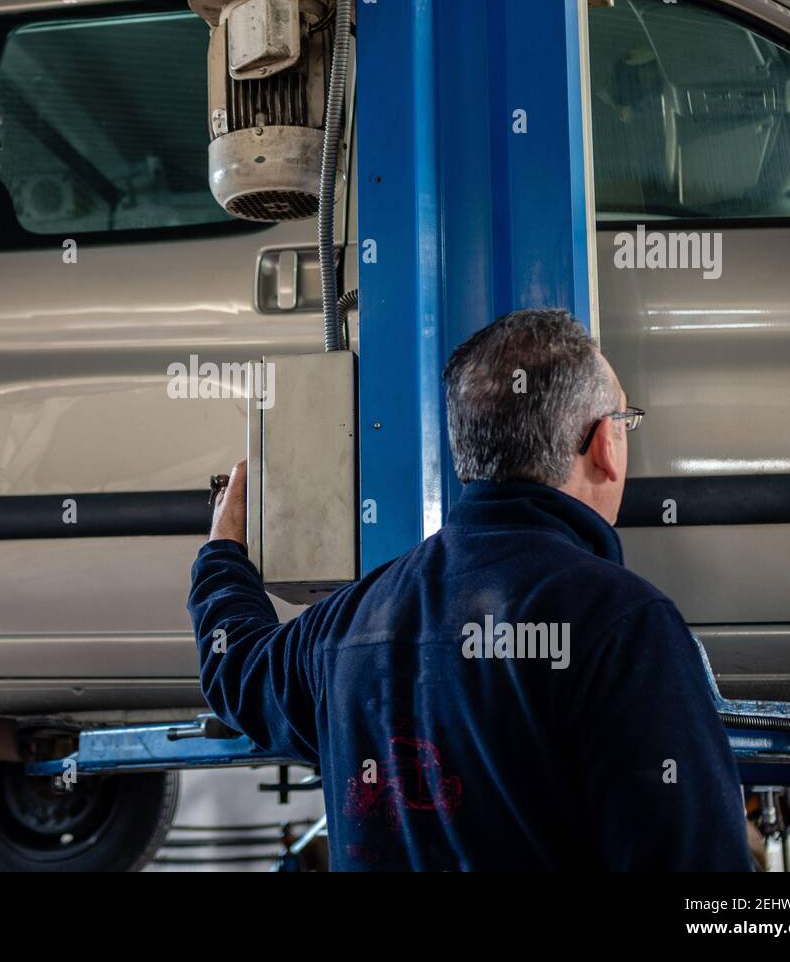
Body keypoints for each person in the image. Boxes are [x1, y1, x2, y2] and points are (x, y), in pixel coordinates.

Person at [187, 308, 753, 871]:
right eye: (625, 420)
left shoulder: (346, 628)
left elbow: (235, 668)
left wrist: (223, 549)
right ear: (605, 442)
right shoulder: (622, 625)